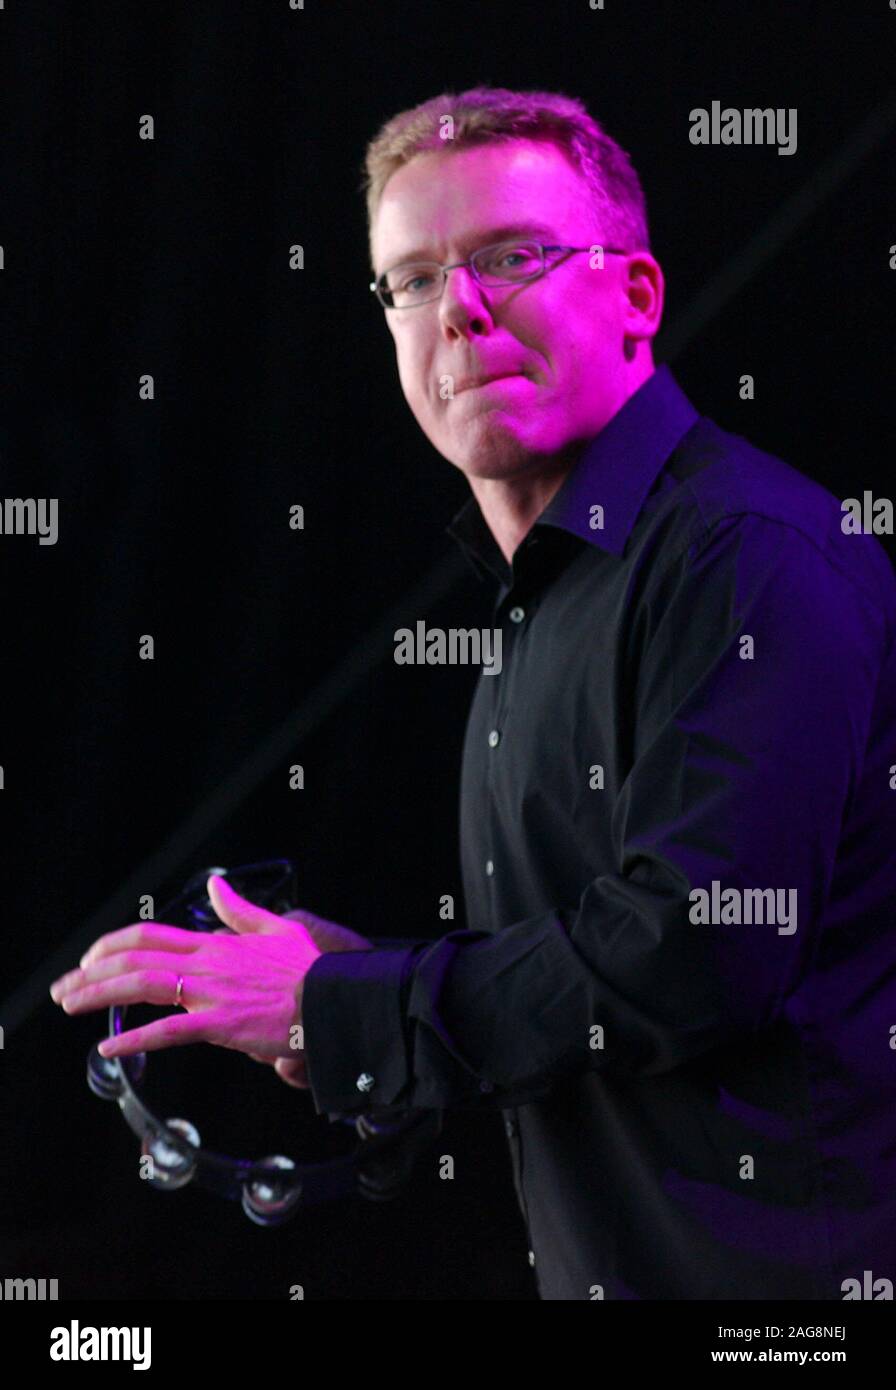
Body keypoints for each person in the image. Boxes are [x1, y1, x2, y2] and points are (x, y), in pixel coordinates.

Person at [51, 86, 896, 1302]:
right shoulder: (548, 596)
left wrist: (350, 1008)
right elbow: (588, 969)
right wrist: (332, 991)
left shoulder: (745, 555)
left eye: (513, 256)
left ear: (635, 296)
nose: (460, 308)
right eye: (411, 278)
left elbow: (697, 952)